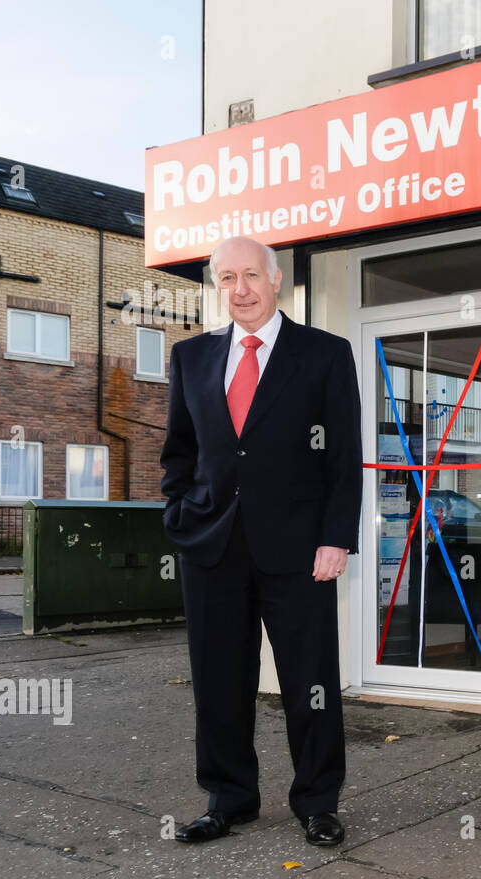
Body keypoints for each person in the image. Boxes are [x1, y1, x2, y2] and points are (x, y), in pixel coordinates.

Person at [160, 236, 363, 846]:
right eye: (227, 278)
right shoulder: (191, 358)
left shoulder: (324, 354)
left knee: (311, 683)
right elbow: (179, 453)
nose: (240, 289)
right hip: (212, 548)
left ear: (277, 280)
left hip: (300, 551)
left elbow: (344, 460)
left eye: (251, 275)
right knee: (219, 680)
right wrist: (181, 515)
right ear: (217, 285)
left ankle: (317, 801)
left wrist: (336, 539)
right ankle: (230, 799)